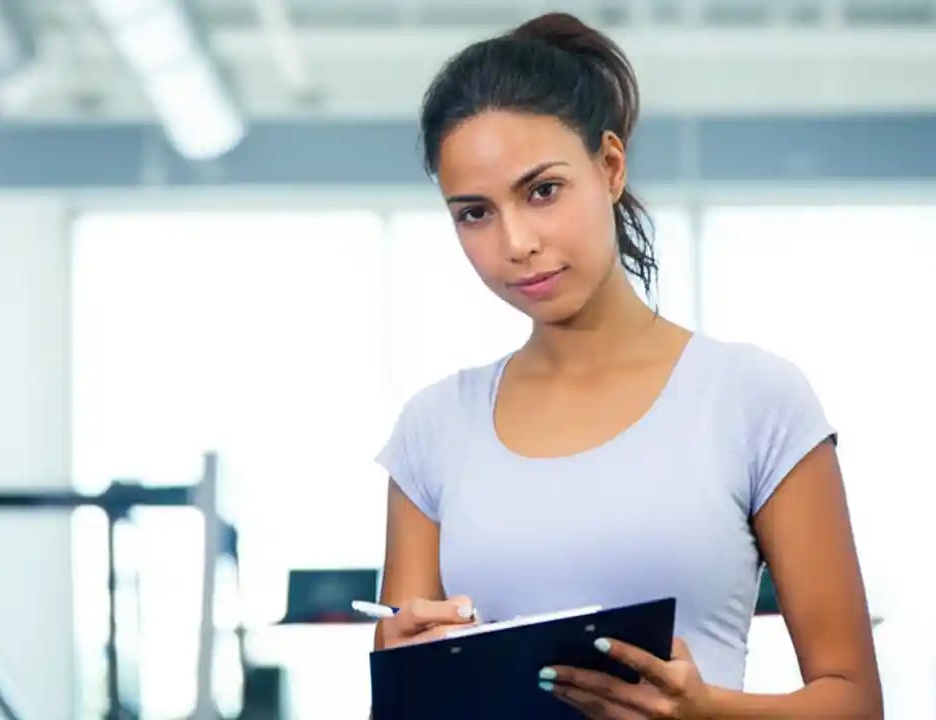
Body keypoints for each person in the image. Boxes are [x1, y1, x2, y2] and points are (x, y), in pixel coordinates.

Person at [372, 11, 883, 719]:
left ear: (609, 166)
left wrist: (706, 713)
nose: (515, 242)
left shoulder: (754, 400)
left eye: (542, 191)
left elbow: (854, 703)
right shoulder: (432, 428)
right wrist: (398, 666)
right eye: (474, 213)